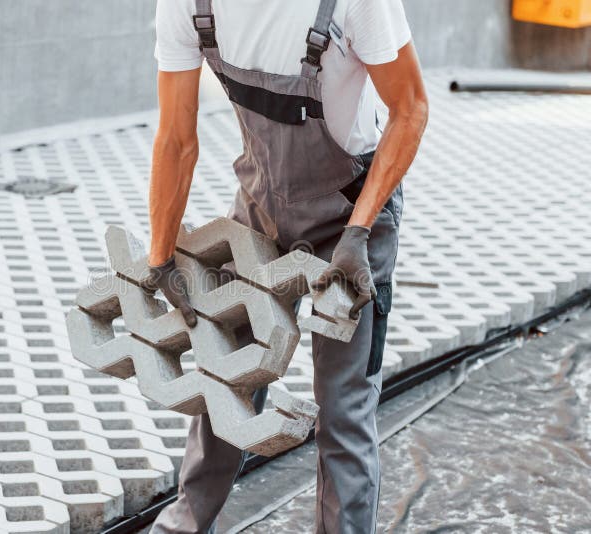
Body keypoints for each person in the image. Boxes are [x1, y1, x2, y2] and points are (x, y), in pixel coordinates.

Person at [144, 0, 428, 532]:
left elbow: (410, 108)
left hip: (350, 217)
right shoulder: (189, 4)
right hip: (260, 208)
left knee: (342, 412)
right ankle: (184, 523)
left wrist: (359, 234)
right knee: (226, 376)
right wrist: (160, 259)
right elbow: (176, 140)